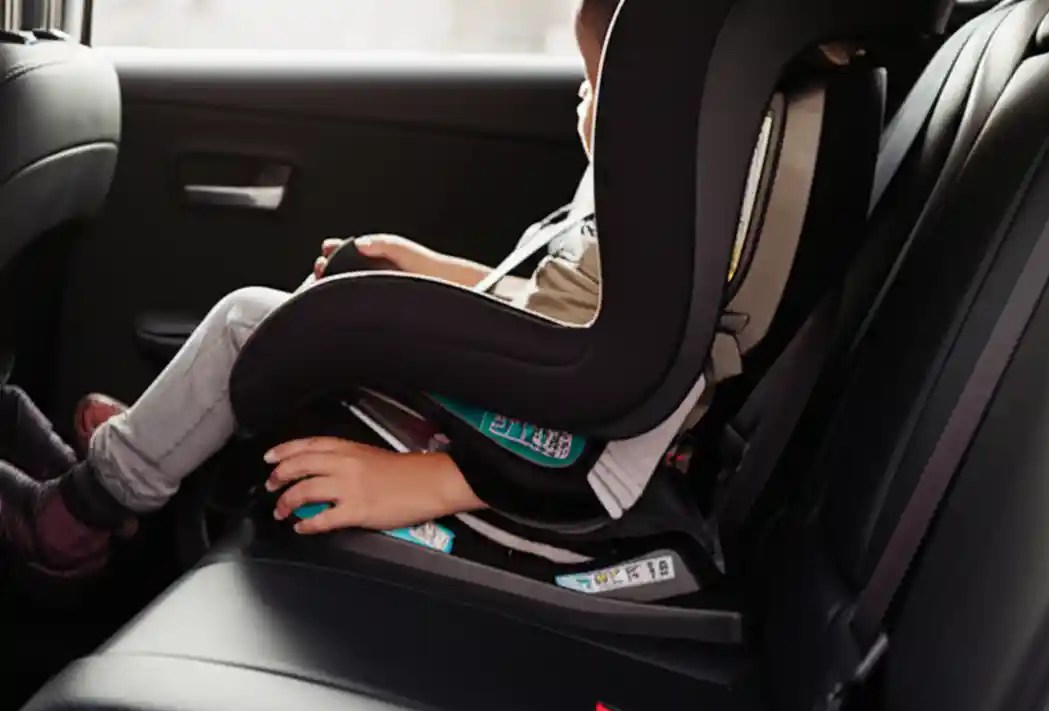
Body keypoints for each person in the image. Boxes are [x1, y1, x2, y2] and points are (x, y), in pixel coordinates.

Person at [0, 0, 620, 581]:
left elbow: (582, 357)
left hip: (517, 423)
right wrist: (425, 267)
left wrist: (437, 475)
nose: (579, 98)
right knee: (326, 296)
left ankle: (79, 515)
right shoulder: (622, 198)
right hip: (518, 387)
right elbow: (545, 304)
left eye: (592, 86)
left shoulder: (648, 220)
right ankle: (133, 458)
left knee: (250, 323)